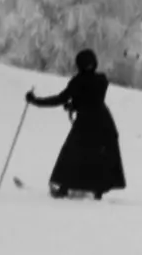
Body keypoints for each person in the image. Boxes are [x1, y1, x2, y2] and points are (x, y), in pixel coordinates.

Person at [26, 48, 126, 200]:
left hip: (86, 124)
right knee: (99, 156)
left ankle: (64, 188)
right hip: (104, 123)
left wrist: (35, 101)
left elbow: (60, 99)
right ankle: (97, 190)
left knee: (72, 154)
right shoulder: (101, 80)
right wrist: (75, 104)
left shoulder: (77, 82)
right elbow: (92, 99)